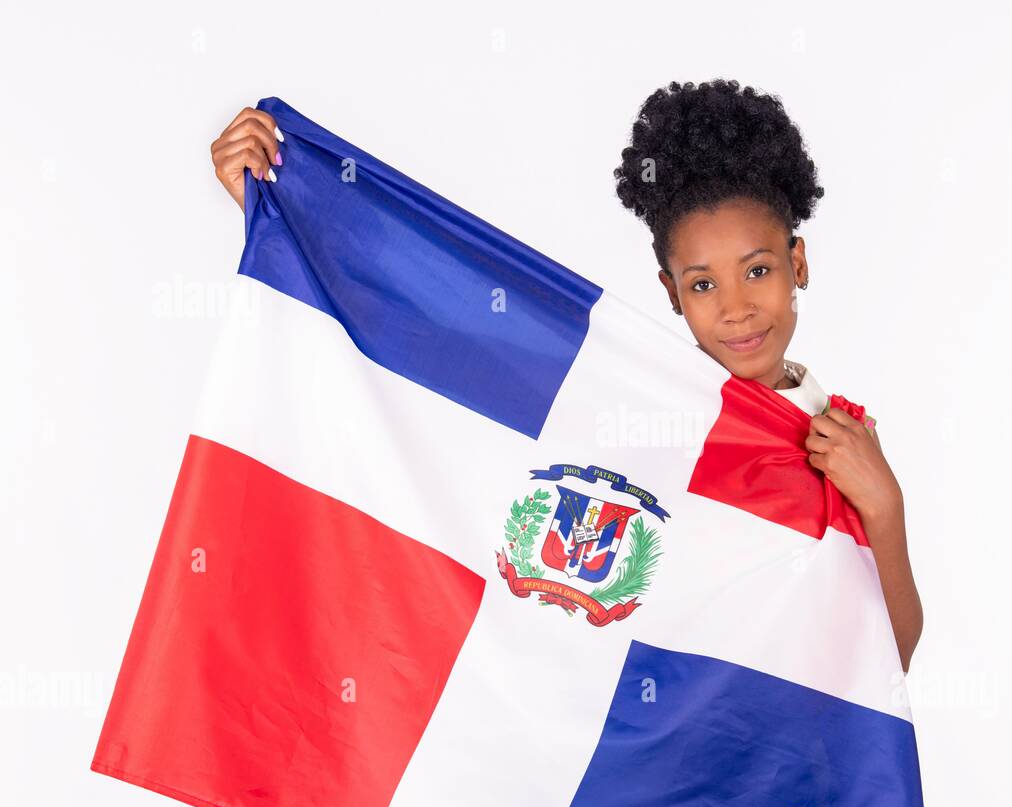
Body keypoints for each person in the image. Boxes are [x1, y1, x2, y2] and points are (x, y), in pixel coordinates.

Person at [208, 79, 923, 672]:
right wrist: (288, 221)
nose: (737, 309)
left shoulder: (838, 440)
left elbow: (886, 657)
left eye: (758, 271)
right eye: (703, 285)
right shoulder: (631, 410)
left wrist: (882, 507)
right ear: (671, 292)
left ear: (798, 264)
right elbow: (443, 377)